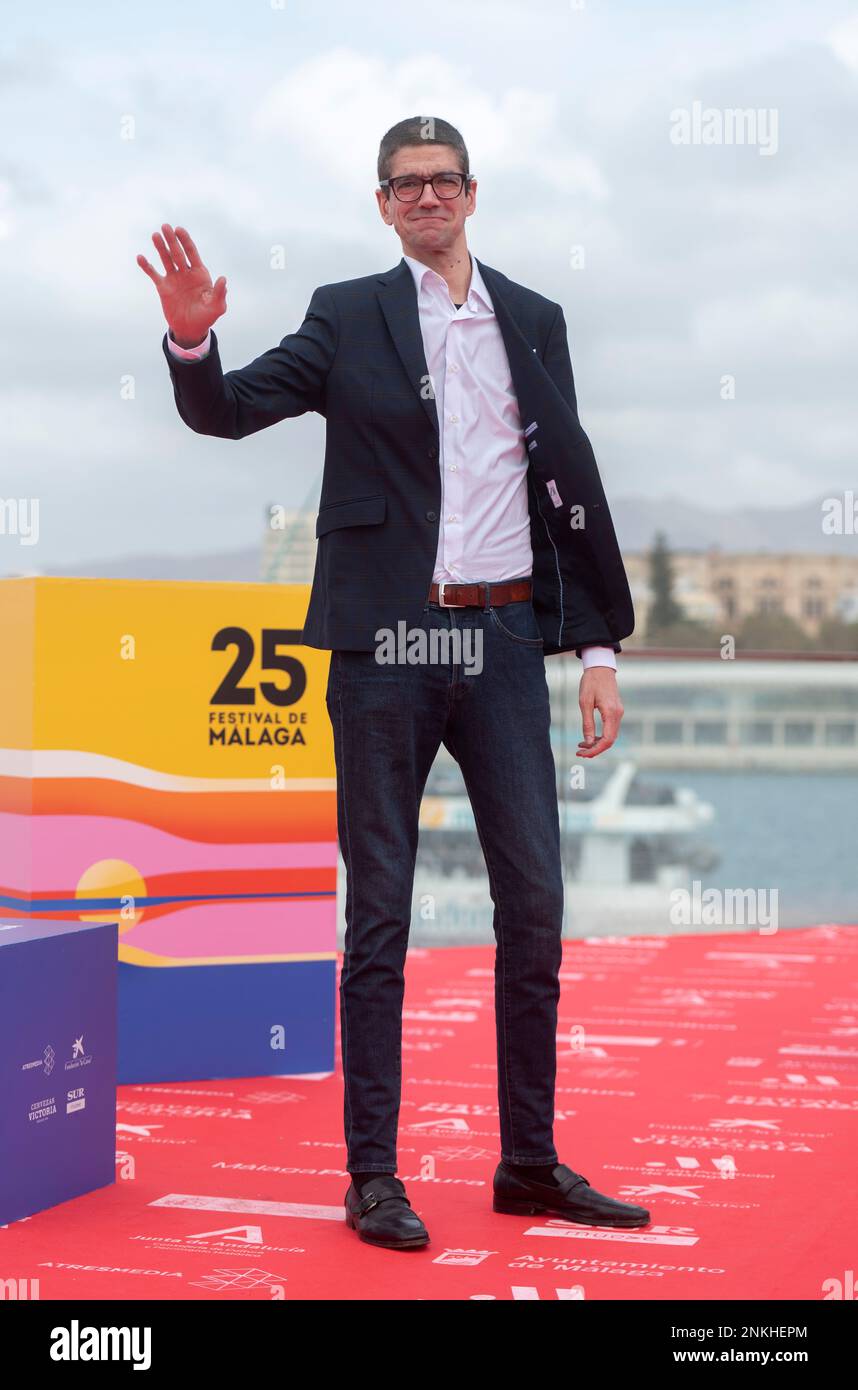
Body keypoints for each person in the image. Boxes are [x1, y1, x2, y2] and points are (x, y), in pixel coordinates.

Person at [138, 115, 650, 1251]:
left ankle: (527, 1161)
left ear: (473, 194)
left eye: (442, 180)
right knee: (380, 916)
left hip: (503, 641)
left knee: (536, 906)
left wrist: (600, 650)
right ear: (383, 204)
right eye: (404, 183)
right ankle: (374, 1175)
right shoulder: (344, 316)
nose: (425, 196)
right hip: (386, 648)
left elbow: (566, 480)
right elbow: (228, 413)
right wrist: (190, 347)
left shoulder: (533, 320)